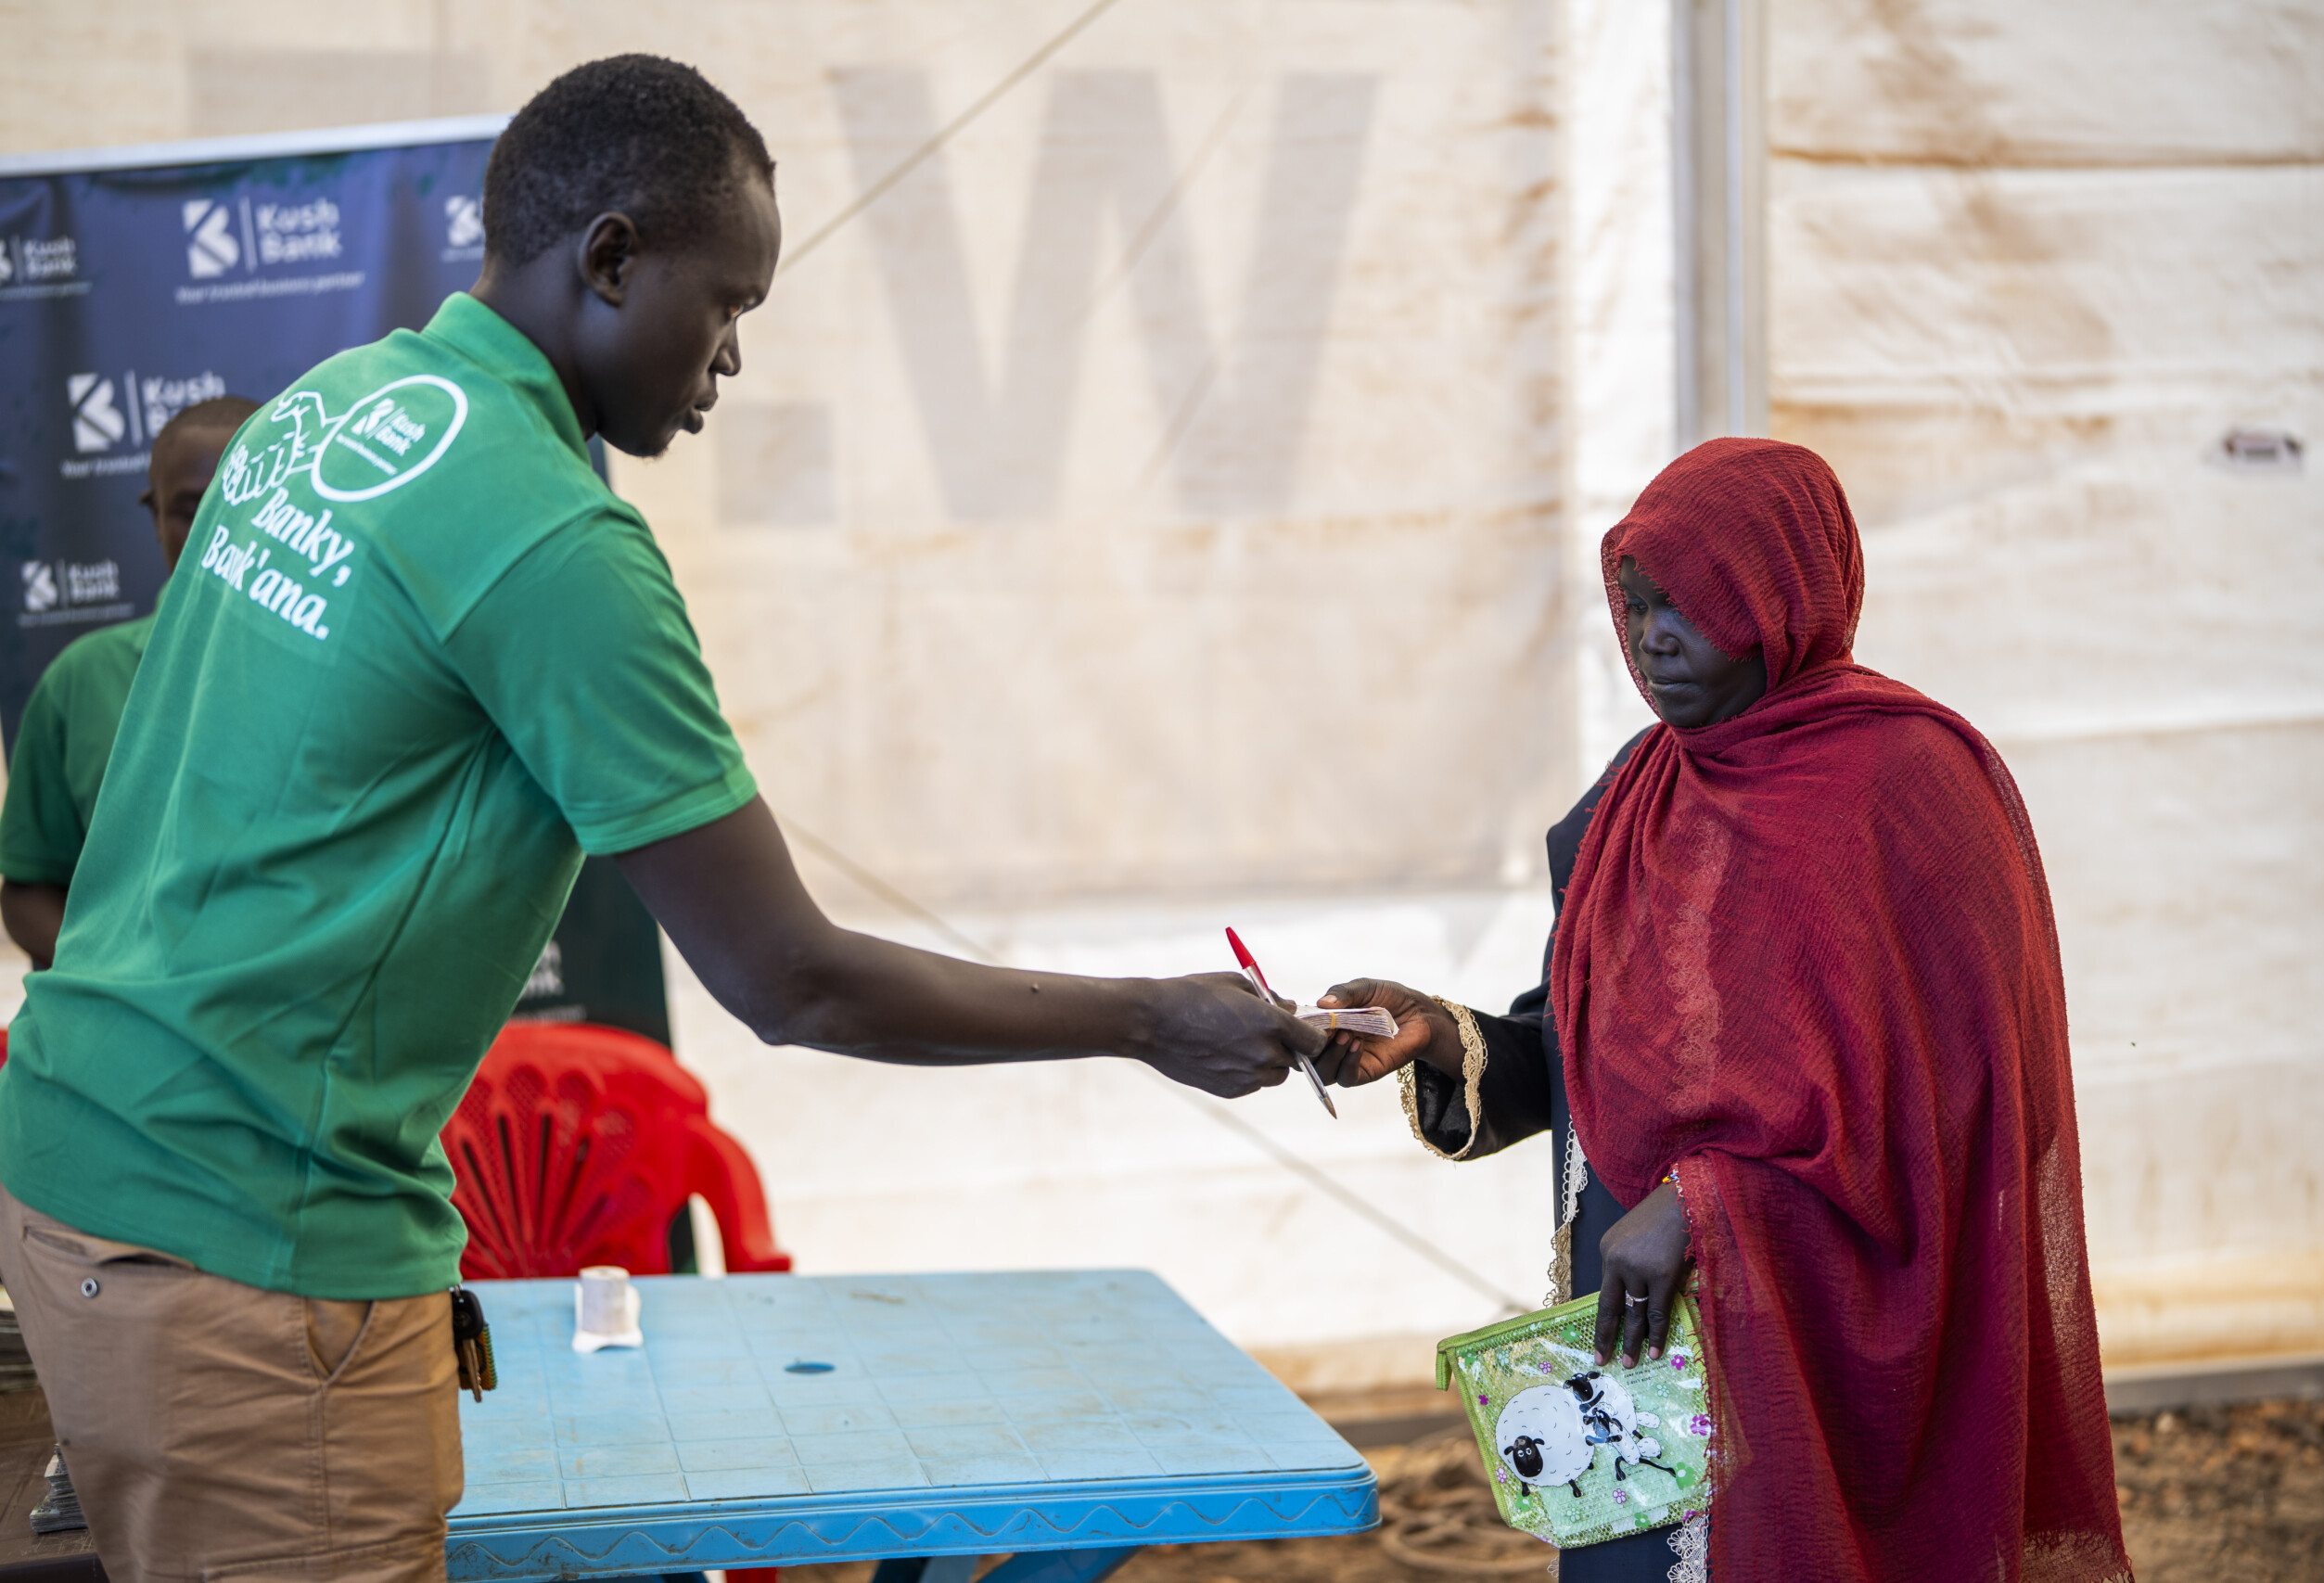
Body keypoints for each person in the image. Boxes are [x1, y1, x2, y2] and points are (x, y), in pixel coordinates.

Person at [0, 56, 1334, 1583]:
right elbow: (792, 978)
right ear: (616, 257)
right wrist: (1154, 1018)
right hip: (245, 1247)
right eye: (730, 305)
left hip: (74, 1170)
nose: (734, 359)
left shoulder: (329, 411)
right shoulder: (552, 536)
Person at [1319, 439, 2129, 1581]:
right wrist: (1442, 1036)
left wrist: (1713, 1202)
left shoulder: (1906, 788)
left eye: (1691, 605)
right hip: (1640, 1352)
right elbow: (1591, 1046)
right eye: (1635, 602)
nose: (1653, 636)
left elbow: (1962, 1108)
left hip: (1821, 1339)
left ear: (1786, 591)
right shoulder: (1634, 794)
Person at [0, 396, 260, 967]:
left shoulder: (360, 673)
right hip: (127, 1034)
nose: (220, 528)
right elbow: (27, 887)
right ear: (155, 514)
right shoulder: (80, 679)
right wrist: (119, 979)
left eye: (246, 500)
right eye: (192, 508)